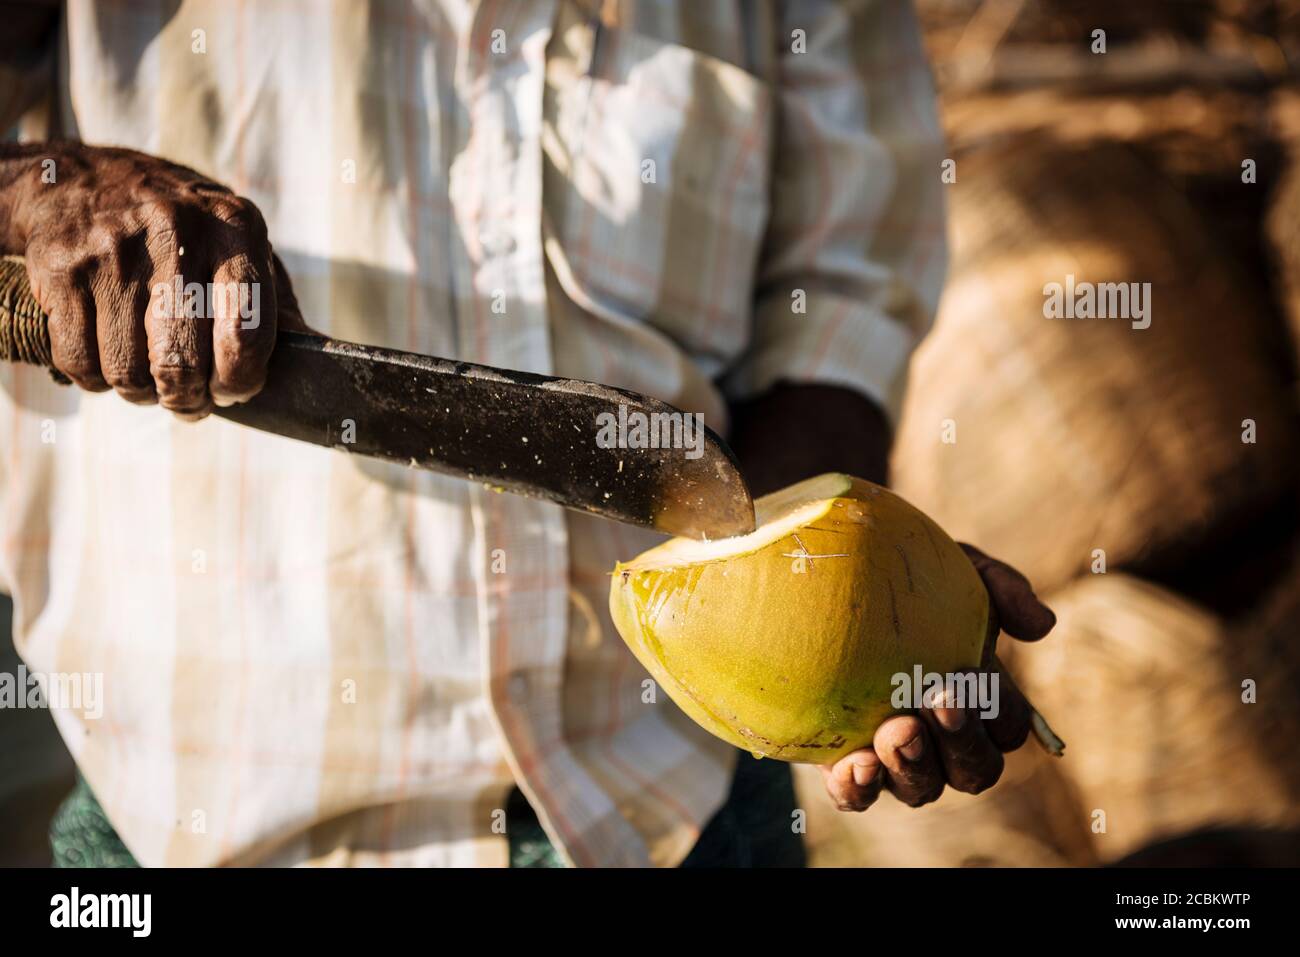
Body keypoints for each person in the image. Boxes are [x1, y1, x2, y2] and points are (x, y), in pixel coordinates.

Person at [0, 0, 1055, 867]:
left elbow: (841, 296)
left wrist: (845, 594)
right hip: (192, 819)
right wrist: (37, 191)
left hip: (673, 811)